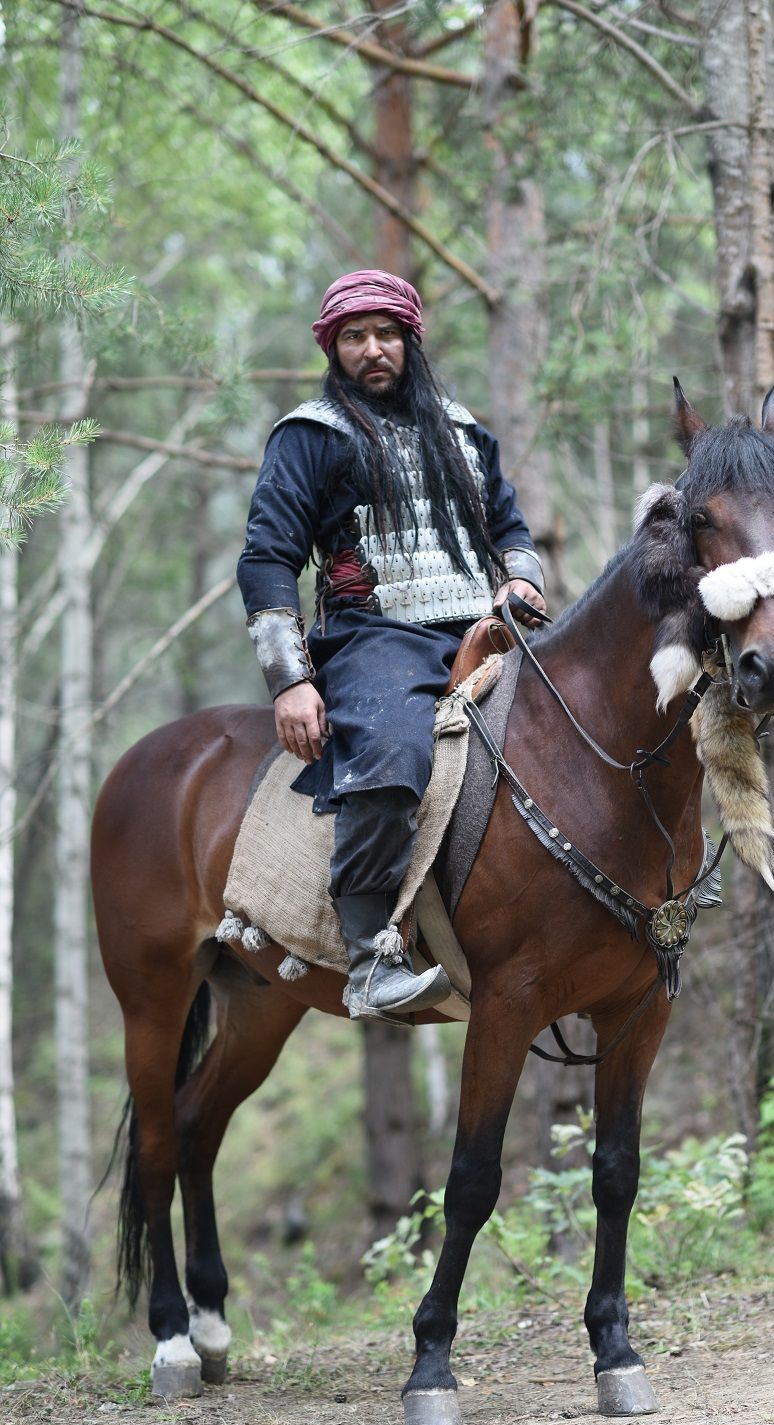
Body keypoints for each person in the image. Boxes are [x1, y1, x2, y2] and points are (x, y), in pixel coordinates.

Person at [237, 270, 546, 1020]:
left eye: (385, 334)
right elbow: (267, 558)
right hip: (374, 635)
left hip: (483, 628)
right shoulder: (312, 436)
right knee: (390, 755)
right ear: (333, 347)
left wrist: (523, 578)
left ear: (410, 339)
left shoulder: (465, 432)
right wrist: (289, 680)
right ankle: (370, 957)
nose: (371, 350)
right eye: (353, 337)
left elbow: (508, 529)